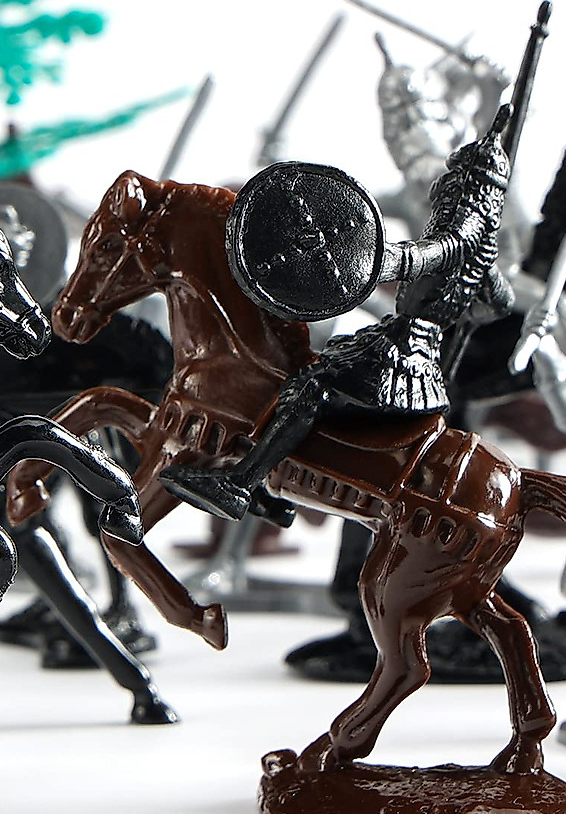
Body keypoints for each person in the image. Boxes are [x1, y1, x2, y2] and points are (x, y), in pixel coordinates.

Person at [164, 105, 514, 522]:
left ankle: (241, 484)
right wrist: (467, 313)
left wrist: (347, 255)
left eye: (453, 182)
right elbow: (501, 302)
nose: (443, 188)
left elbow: (404, 261)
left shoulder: (453, 238)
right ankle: (272, 485)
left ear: (463, 189)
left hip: (402, 356)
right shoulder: (485, 252)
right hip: (425, 354)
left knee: (311, 388)